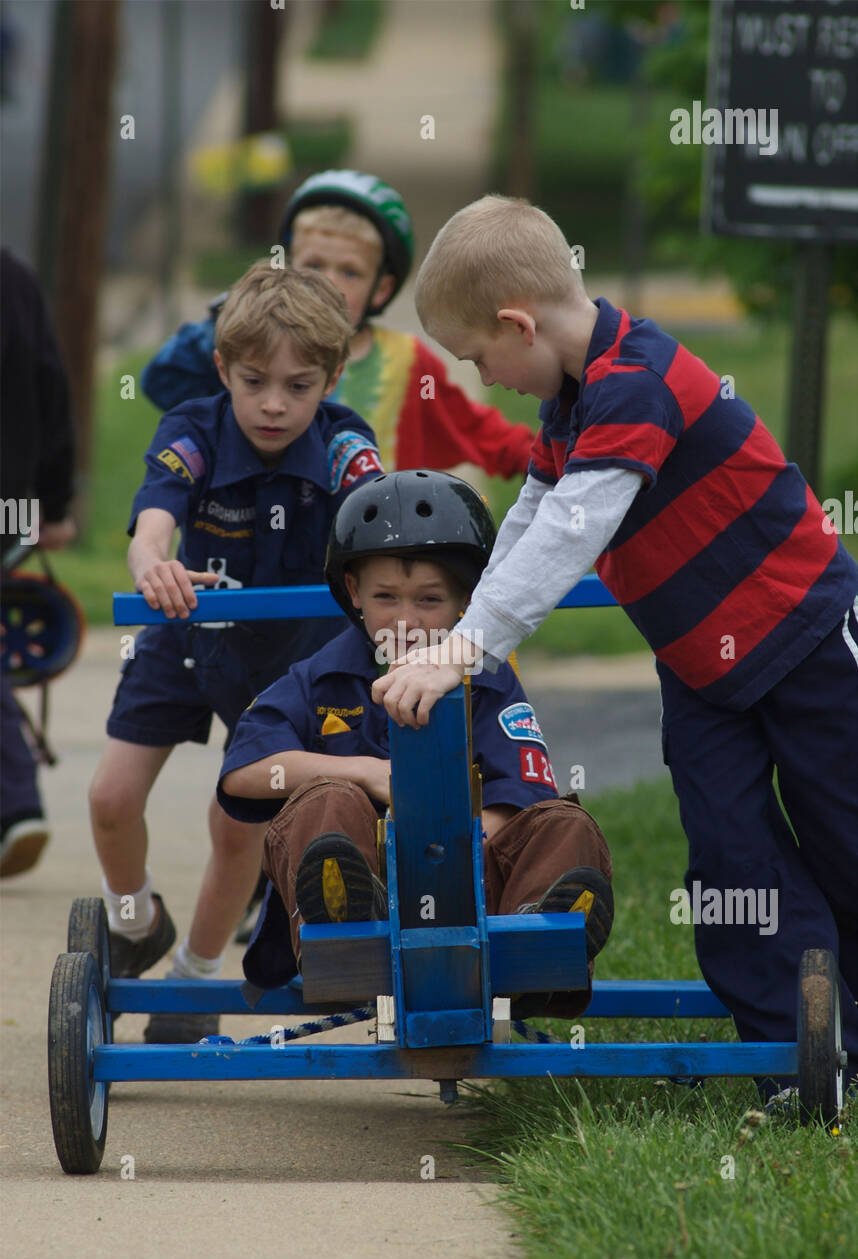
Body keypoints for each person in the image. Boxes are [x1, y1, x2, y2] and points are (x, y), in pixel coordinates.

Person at [373, 194, 858, 1105]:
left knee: (845, 833)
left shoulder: (636, 379)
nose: (483, 381)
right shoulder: (571, 400)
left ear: (519, 322)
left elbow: (576, 525)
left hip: (806, 642)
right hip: (701, 668)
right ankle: (801, 1060)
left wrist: (466, 649)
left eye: (480, 358)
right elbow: (530, 513)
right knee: (728, 860)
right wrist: (455, 633)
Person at [88, 261, 384, 1043]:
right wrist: (153, 563)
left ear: (333, 375)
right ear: (223, 368)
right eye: (254, 381)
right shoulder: (193, 426)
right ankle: (137, 918)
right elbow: (155, 515)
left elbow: (380, 523)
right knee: (111, 800)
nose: (275, 403)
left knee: (236, 825)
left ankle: (195, 976)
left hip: (296, 662)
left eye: (298, 384)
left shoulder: (348, 443)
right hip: (190, 633)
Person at [217, 469, 614, 1019]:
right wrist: (363, 772)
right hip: (360, 877)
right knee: (329, 793)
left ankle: (538, 947)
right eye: (386, 597)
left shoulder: (488, 680)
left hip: (472, 890)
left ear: (467, 599)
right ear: (353, 592)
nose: (405, 620)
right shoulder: (318, 678)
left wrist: (458, 846)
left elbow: (523, 788)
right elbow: (243, 771)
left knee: (565, 824)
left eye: (429, 599)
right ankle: (346, 936)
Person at [141, 169, 536, 479]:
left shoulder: (407, 362)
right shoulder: (254, 350)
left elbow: (481, 432)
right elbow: (163, 381)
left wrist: (548, 459)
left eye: (349, 271)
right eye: (312, 265)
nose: (326, 282)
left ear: (380, 290)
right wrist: (227, 320)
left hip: (372, 562)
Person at [0, 249, 77, 876]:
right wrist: (50, 504)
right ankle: (16, 802)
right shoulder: (16, 276)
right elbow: (53, 390)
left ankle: (15, 799)